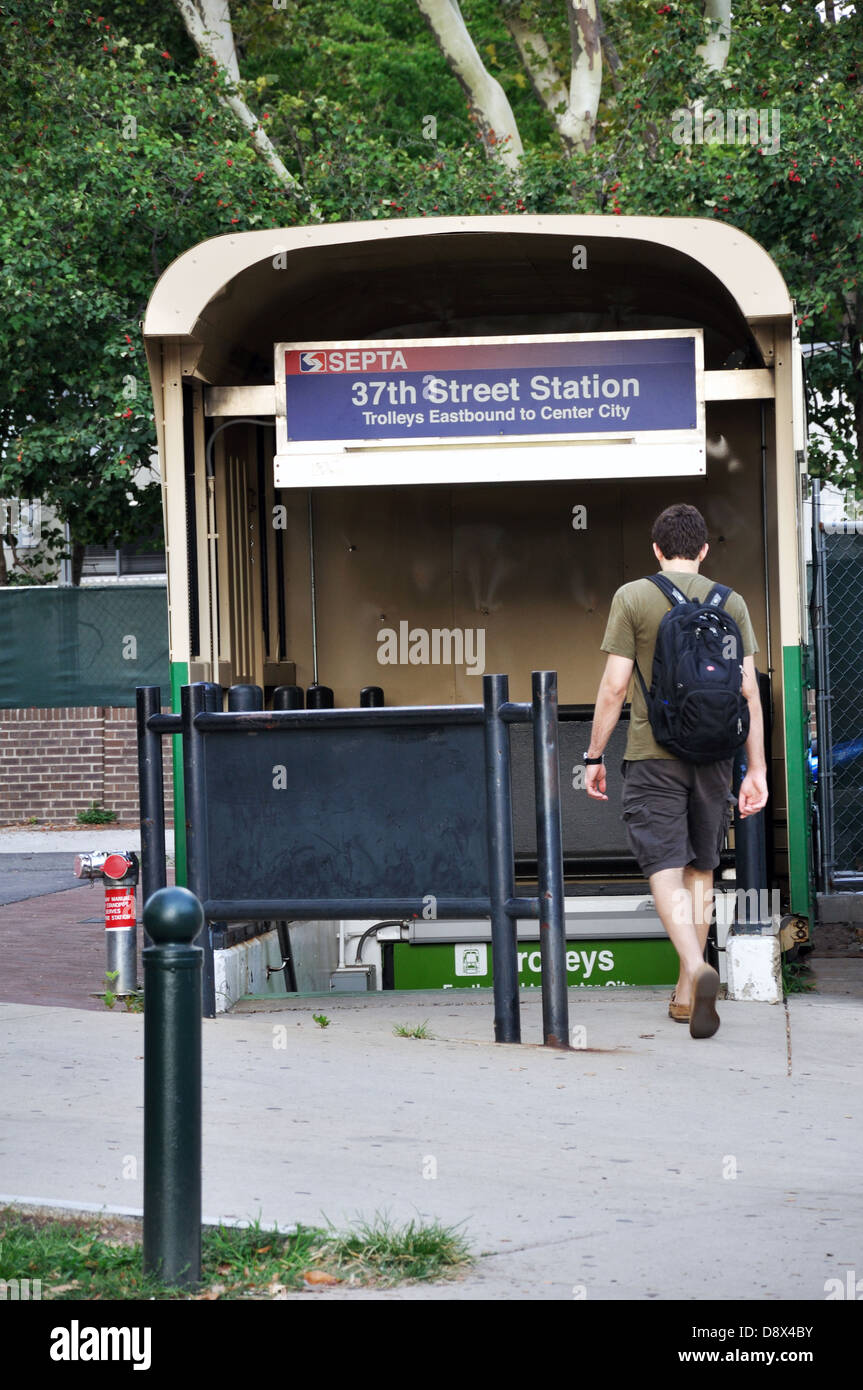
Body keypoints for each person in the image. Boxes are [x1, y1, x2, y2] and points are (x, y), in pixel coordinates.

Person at [584, 503, 769, 1039]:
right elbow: (748, 691)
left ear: (657, 549)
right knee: (701, 866)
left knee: (662, 862)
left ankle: (694, 967)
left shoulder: (633, 596)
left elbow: (614, 686)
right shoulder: (730, 601)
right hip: (714, 757)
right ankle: (687, 994)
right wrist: (754, 769)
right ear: (705, 550)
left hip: (652, 753)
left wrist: (593, 756)